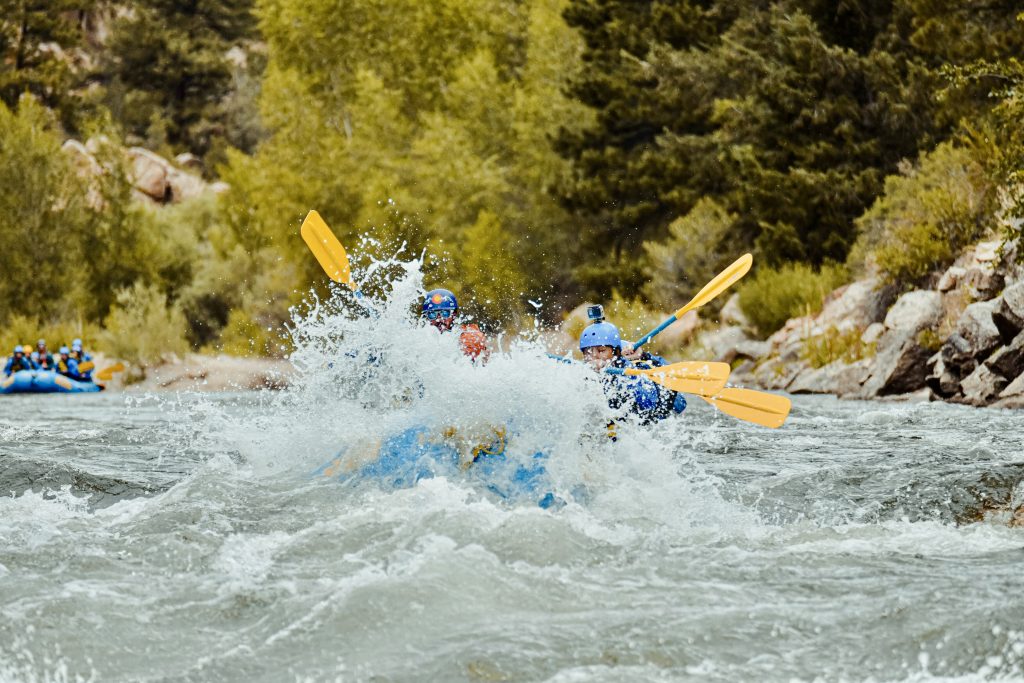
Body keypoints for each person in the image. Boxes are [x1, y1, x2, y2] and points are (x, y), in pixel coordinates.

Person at [578, 318, 683, 426]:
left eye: (601, 350)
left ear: (615, 353)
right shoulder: (582, 373)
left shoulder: (629, 368)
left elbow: (647, 405)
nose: (594, 357)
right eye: (588, 352)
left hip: (655, 419)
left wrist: (641, 357)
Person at [422, 288, 489, 362]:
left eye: (445, 313)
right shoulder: (420, 340)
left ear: (453, 315)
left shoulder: (468, 336)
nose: (439, 319)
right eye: (432, 314)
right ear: (426, 317)